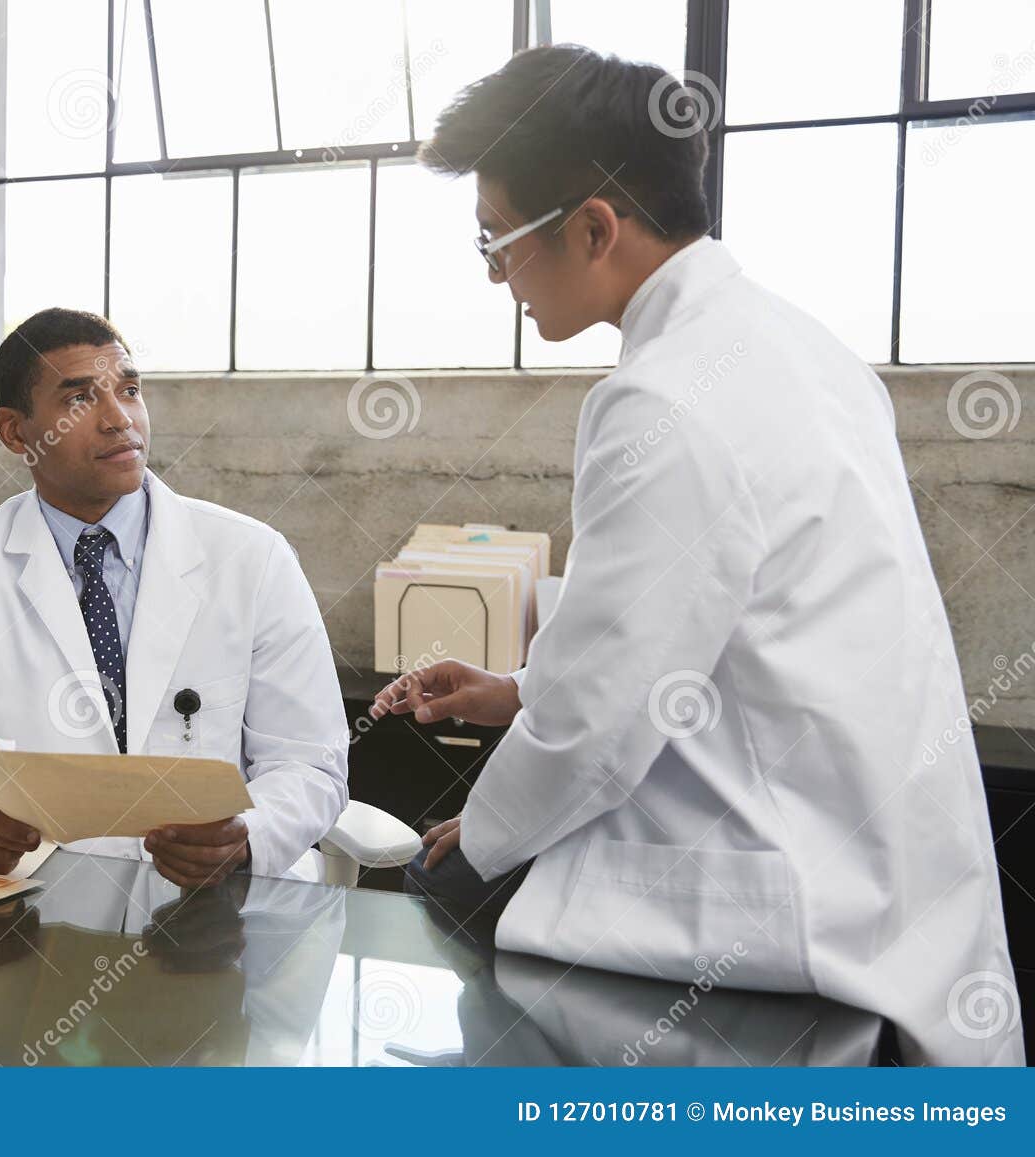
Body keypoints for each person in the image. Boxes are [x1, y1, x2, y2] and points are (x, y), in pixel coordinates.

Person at [372, 45, 1021, 1065]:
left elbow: (602, 713)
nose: (498, 278)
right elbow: (719, 631)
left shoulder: (664, 398)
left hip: (785, 927)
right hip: (888, 898)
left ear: (592, 227)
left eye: (496, 243)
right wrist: (516, 688)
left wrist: (474, 843)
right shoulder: (806, 351)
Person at [0, 307, 349, 887]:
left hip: (223, 917)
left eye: (129, 390)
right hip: (34, 912)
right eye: (80, 399)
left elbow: (310, 761)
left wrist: (248, 837)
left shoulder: (253, 556)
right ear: (14, 431)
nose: (119, 419)